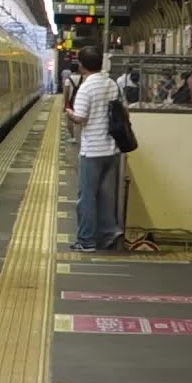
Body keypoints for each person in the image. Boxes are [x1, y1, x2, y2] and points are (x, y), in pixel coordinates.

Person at [67, 46, 121, 252]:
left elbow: (81, 118)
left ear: (81, 65)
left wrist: (69, 113)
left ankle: (86, 241)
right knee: (107, 197)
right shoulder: (111, 84)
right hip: (111, 149)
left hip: (92, 151)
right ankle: (109, 233)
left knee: (87, 197)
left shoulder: (87, 88)